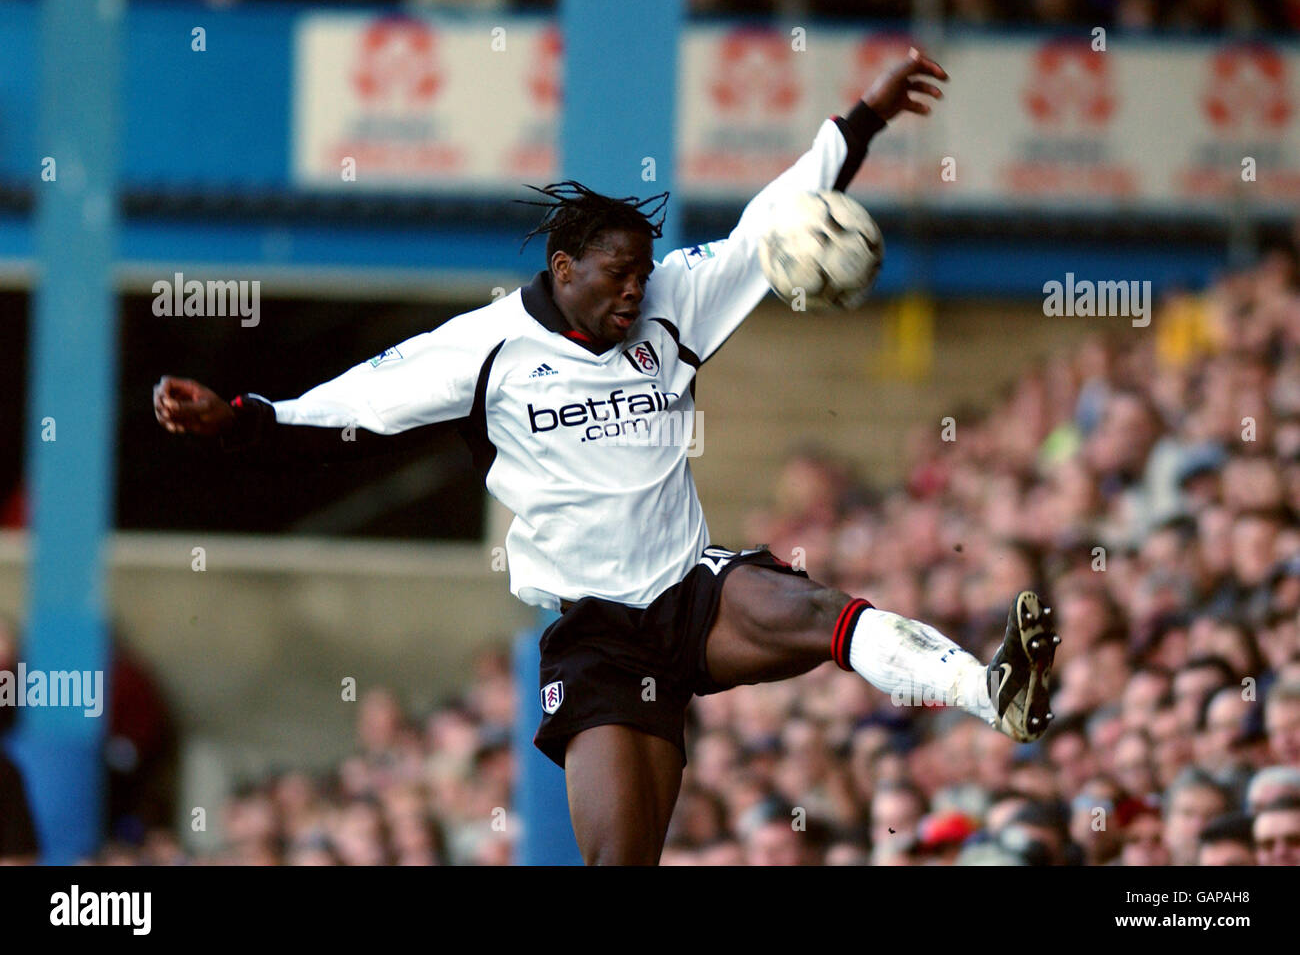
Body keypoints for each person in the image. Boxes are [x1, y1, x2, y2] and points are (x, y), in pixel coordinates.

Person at [152, 48, 1059, 865]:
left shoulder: (675, 300)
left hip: (692, 593)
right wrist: (235, 418)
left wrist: (865, 116)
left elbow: (774, 221)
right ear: (562, 266)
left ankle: (993, 691)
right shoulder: (483, 349)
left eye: (644, 269)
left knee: (816, 606)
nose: (637, 287)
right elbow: (350, 408)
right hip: (597, 639)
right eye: (618, 272)